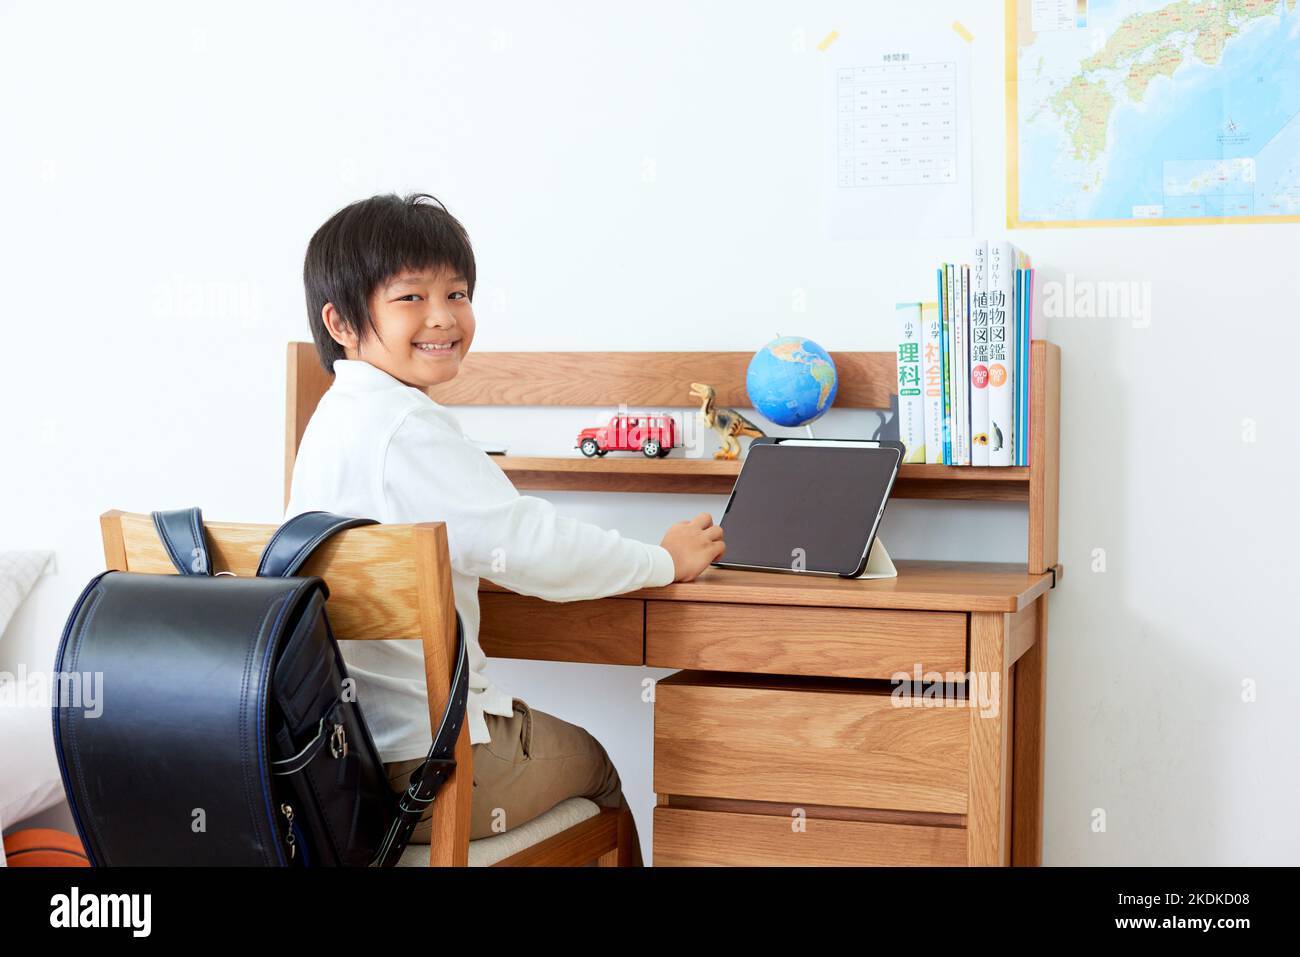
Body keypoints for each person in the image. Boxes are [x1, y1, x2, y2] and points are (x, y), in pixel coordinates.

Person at [285, 192, 725, 865]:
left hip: (340, 766)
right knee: (602, 768)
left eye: (457, 293)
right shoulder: (407, 426)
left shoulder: (333, 421)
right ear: (341, 320)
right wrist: (662, 560)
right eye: (410, 297)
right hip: (429, 770)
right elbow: (531, 547)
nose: (443, 316)